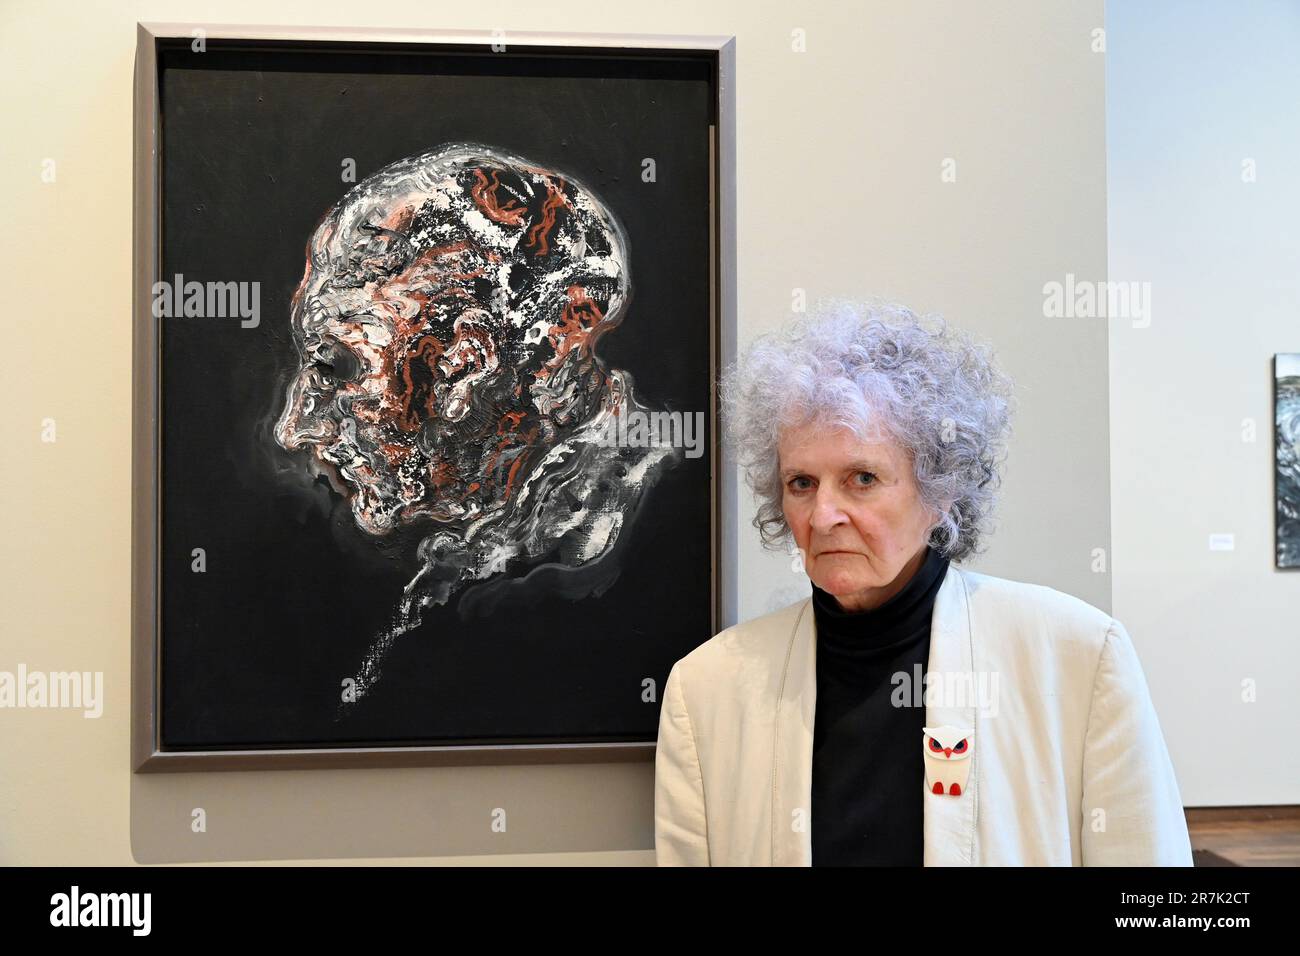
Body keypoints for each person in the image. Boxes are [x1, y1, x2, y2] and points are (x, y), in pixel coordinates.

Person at [654, 299, 1193, 866]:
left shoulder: (1078, 657)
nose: (822, 515)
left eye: (862, 478)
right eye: (801, 482)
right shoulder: (707, 689)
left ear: (940, 492)